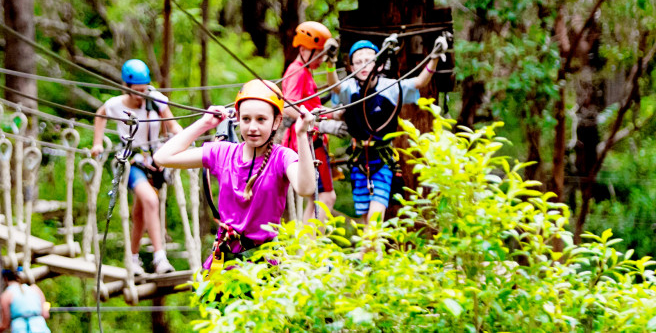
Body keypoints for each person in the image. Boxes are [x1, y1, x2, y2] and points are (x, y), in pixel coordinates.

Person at [153, 80, 316, 271]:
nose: (252, 127)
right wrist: (204, 124)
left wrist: (301, 135)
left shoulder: (281, 157)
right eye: (246, 119)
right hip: (225, 261)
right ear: (237, 118)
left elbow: (306, 188)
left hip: (263, 264)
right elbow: (162, 157)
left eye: (261, 119)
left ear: (276, 121)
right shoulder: (222, 153)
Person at [331, 36, 447, 224]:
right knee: (366, 221)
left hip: (382, 161)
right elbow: (335, 86)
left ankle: (370, 244)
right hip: (359, 162)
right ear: (351, 68)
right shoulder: (349, 88)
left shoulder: (390, 87)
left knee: (375, 221)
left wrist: (434, 57)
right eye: (358, 62)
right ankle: (370, 245)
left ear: (378, 65)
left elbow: (419, 82)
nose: (363, 66)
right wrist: (330, 62)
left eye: (368, 61)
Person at [91, 59, 181, 274]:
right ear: (126, 87)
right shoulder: (116, 104)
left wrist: (188, 139)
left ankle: (132, 259)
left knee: (140, 213)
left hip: (155, 162)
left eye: (144, 90)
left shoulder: (156, 100)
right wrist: (97, 142)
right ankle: (160, 258)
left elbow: (173, 125)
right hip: (130, 161)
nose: (141, 95)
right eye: (136, 91)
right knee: (151, 200)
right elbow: (100, 115)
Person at [281, 21, 347, 222]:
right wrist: (322, 124)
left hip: (312, 139)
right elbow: (288, 106)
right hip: (307, 140)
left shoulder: (304, 71)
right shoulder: (298, 71)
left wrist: (333, 114)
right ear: (303, 49)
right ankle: (314, 242)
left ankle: (306, 241)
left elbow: (309, 106)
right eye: (318, 54)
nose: (321, 60)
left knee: (316, 198)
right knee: (326, 197)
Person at [0, 269, 50, 333]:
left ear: (5, 278)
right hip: (40, 328)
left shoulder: (6, 295)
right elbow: (45, 314)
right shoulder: (35, 289)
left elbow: (5, 324)